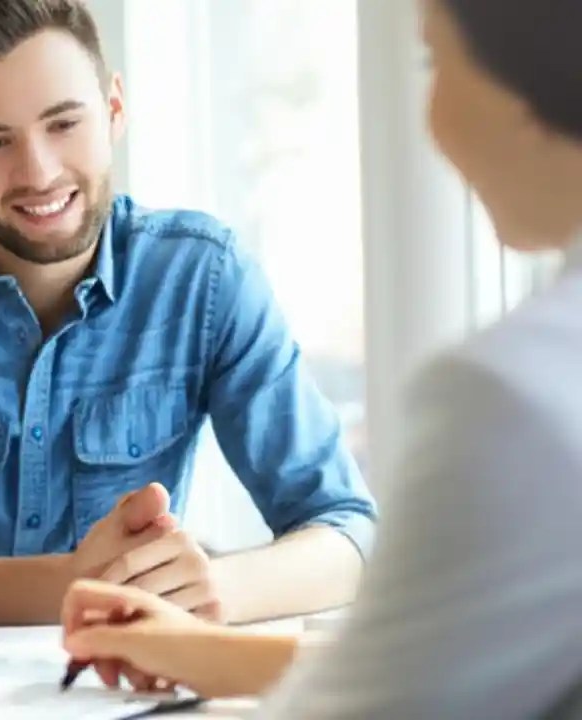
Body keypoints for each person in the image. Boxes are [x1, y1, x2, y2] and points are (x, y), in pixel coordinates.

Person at [61, 0, 582, 716]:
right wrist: (188, 648)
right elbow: (420, 655)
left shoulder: (514, 396)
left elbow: (367, 702)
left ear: (525, 81)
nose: (432, 122)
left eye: (434, 62)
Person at [0, 0, 377, 627]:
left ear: (114, 109)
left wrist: (210, 589)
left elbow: (347, 533)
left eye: (63, 124)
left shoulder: (204, 277)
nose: (38, 173)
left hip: (132, 685)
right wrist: (79, 585)